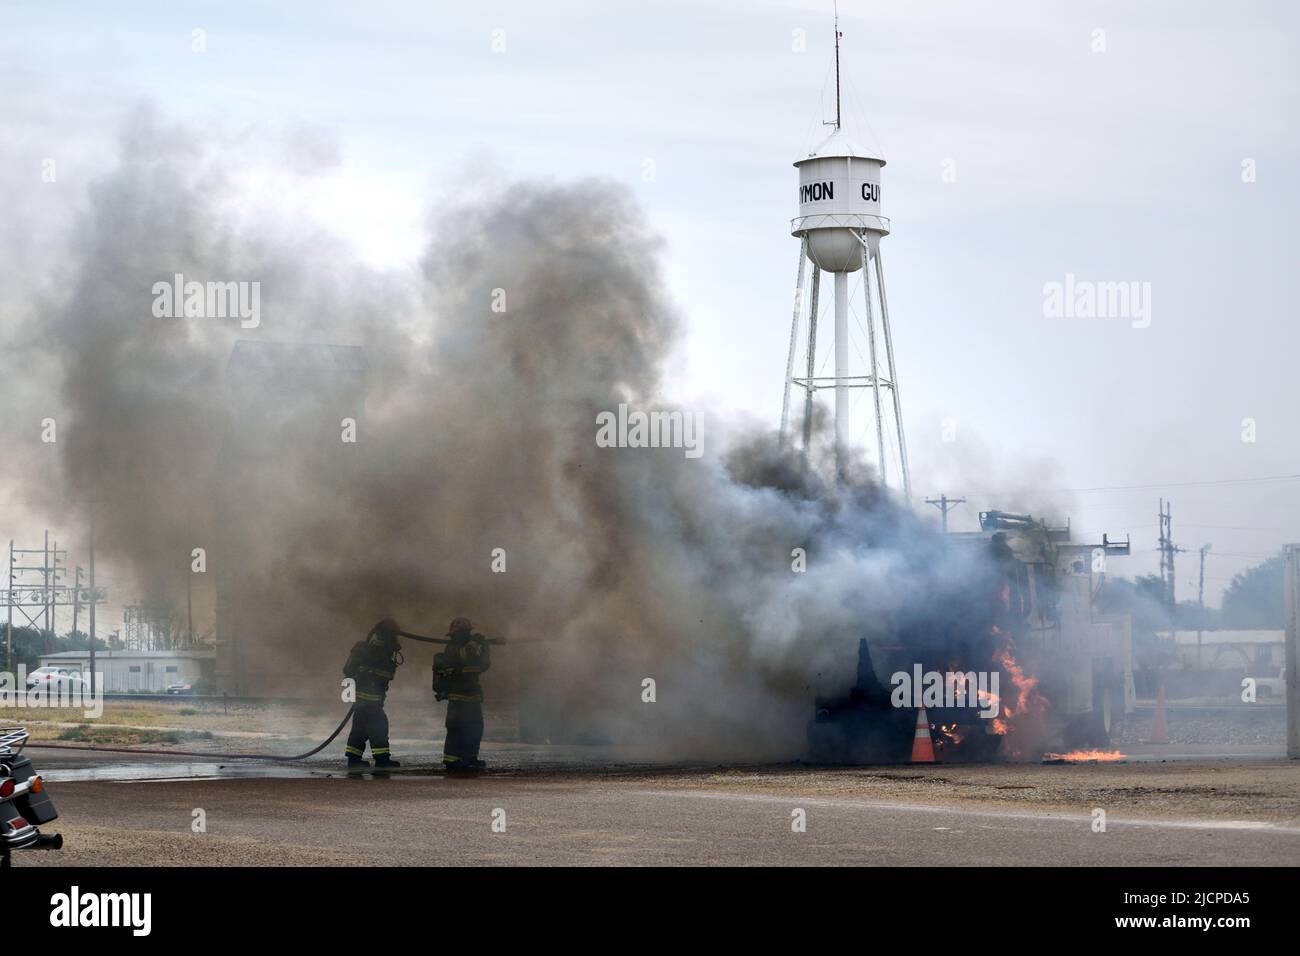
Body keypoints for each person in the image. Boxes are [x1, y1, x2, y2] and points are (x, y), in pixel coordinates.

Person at [342, 618, 403, 770]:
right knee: (379, 726)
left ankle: (354, 759)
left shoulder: (375, 649)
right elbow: (382, 673)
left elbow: (349, 670)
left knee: (360, 728)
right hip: (370, 698)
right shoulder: (378, 649)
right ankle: (382, 760)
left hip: (363, 697)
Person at [433, 617, 490, 772]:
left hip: (473, 694)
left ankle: (470, 757)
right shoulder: (452, 648)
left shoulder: (472, 645)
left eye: (467, 632)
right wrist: (474, 643)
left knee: (475, 728)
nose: (465, 635)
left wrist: (484, 648)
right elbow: (466, 656)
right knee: (457, 728)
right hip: (458, 695)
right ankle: (452, 759)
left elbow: (484, 665)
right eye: (463, 632)